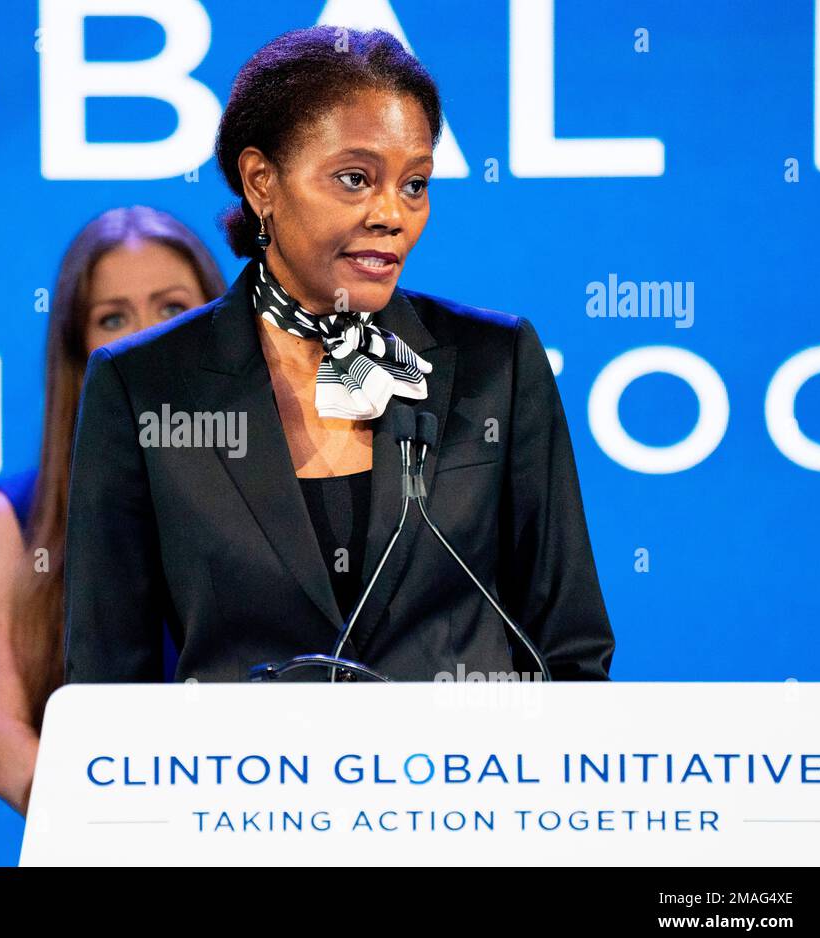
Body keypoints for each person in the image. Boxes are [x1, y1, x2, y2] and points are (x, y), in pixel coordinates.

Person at [63, 28, 615, 684]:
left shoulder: (498, 364)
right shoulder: (143, 384)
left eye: (415, 184)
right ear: (261, 182)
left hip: (461, 754)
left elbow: (572, 651)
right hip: (243, 755)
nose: (393, 214)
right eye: (356, 179)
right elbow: (106, 683)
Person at [0, 207, 225, 816]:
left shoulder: (289, 494)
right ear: (78, 351)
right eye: (113, 318)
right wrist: (119, 827)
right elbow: (1, 749)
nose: (145, 337)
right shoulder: (16, 517)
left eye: (173, 308)